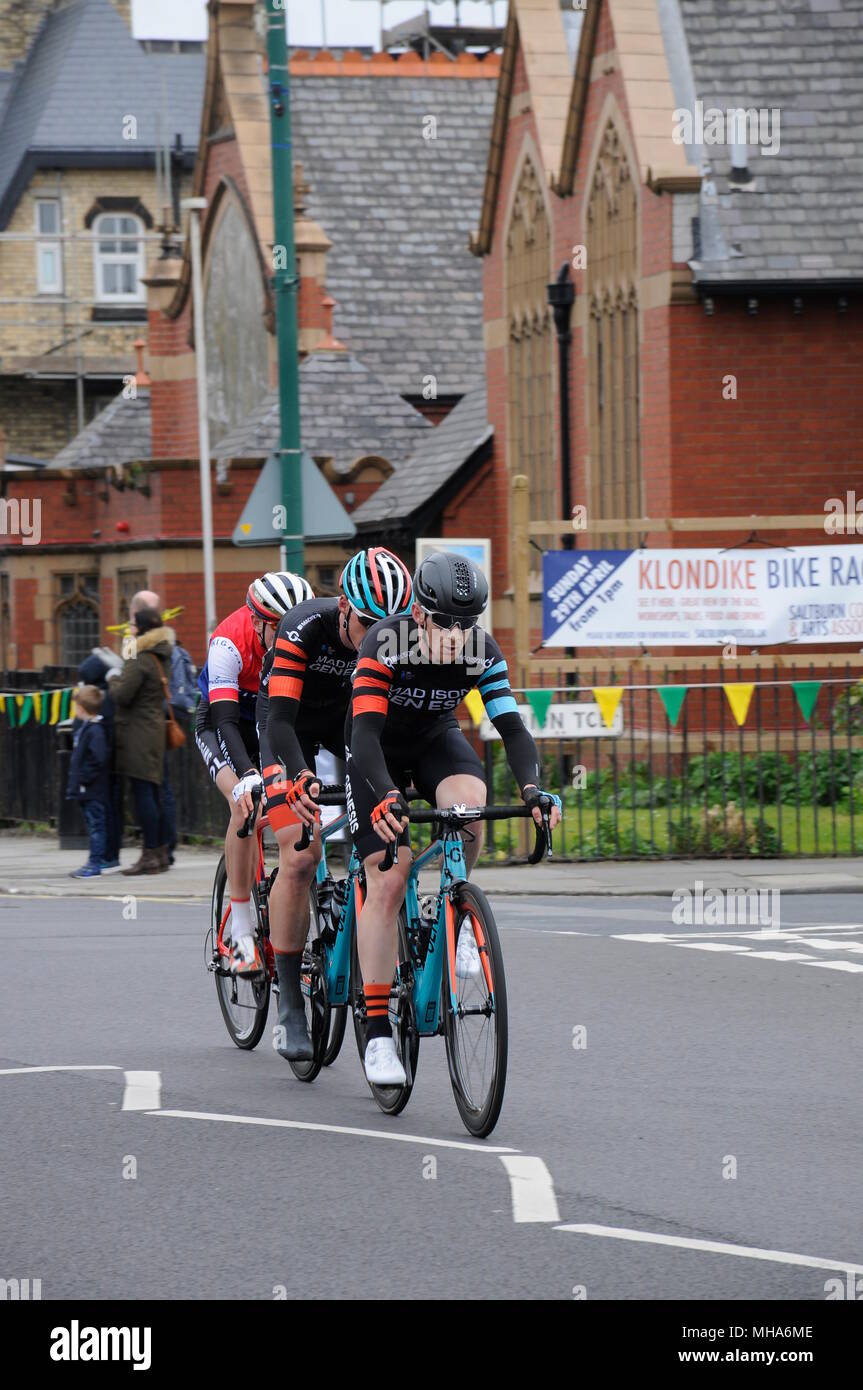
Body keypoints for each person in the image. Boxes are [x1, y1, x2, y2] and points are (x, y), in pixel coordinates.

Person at [346, 550, 562, 1085]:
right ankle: (376, 1034)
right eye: (446, 622)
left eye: (469, 622)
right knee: (390, 877)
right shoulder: (384, 643)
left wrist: (533, 790)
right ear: (419, 614)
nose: (458, 634)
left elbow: (511, 729)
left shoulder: (480, 651)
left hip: (434, 742)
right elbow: (365, 736)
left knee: (470, 803)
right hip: (376, 753)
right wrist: (387, 794)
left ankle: (459, 912)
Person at [261, 546, 414, 1061]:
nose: (376, 634)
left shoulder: (393, 641)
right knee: (301, 856)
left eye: (386, 625)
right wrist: (298, 774)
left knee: (374, 845)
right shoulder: (304, 627)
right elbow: (279, 720)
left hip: (347, 731)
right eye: (367, 622)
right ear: (344, 608)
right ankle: (287, 999)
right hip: (289, 727)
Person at [195, 571, 313, 978]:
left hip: (272, 720)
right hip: (225, 723)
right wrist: (246, 774)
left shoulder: (305, 641)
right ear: (258, 621)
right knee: (243, 804)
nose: (287, 639)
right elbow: (225, 722)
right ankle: (242, 931)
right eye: (278, 630)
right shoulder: (229, 641)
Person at [128, 590, 197, 867]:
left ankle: (161, 848)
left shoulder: (147, 650)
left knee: (157, 788)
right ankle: (166, 847)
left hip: (154, 723)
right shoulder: (173, 646)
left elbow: (129, 689)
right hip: (168, 719)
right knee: (163, 786)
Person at [112, 606, 174, 876]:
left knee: (143, 795)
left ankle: (150, 855)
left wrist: (113, 678)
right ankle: (159, 854)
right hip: (154, 730)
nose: (130, 627)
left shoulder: (139, 656)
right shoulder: (161, 653)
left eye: (134, 624)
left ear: (143, 627)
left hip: (138, 733)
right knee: (153, 793)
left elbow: (123, 695)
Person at [77, 644, 123, 872]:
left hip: (103, 773)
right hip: (111, 766)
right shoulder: (108, 694)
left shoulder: (101, 703)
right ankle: (109, 855)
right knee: (110, 812)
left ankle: (107, 857)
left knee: (105, 815)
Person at [66, 685, 112, 879]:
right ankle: (94, 861)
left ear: (82, 708)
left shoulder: (95, 731)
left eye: (76, 706)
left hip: (92, 789)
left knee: (96, 827)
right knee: (93, 826)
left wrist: (83, 779)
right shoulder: (88, 728)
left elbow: (98, 759)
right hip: (86, 789)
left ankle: (95, 864)